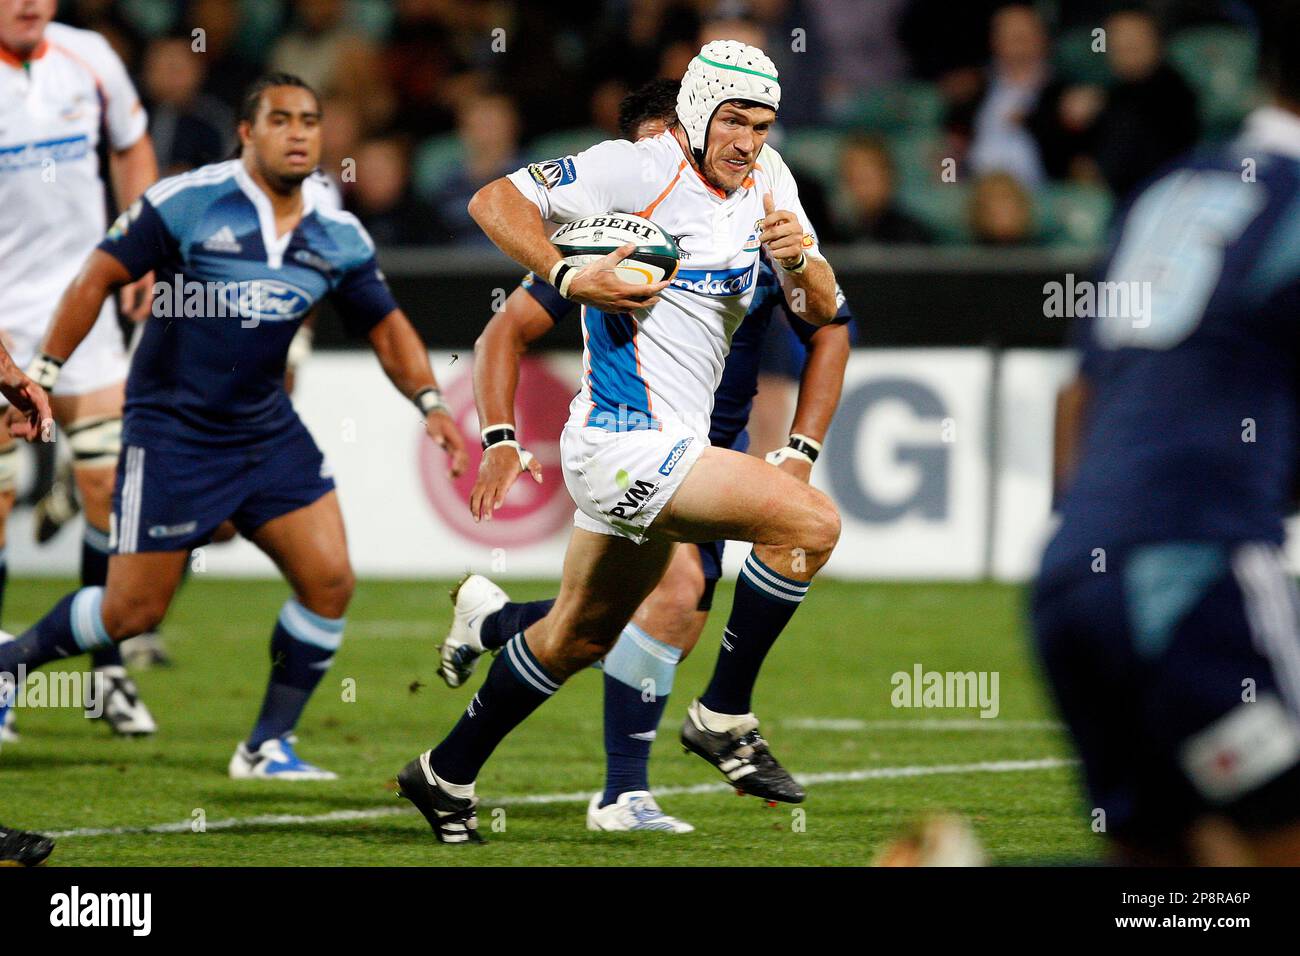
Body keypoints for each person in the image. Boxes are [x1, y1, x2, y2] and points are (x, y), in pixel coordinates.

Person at [396, 40, 842, 844]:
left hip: (670, 445)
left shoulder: (772, 180)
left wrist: (802, 262)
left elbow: (822, 310)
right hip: (621, 443)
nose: (747, 139)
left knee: (579, 636)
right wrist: (568, 275)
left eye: (763, 124)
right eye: (734, 120)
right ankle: (722, 714)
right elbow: (493, 201)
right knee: (809, 524)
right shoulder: (637, 169)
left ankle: (444, 772)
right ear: (700, 112)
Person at [0, 73, 469, 781]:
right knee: (130, 613)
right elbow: (95, 276)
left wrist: (431, 402)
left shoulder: (335, 232)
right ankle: (8, 666)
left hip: (265, 431)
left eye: (310, 119)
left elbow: (386, 324)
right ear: (247, 133)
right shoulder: (187, 203)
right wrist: (43, 370)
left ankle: (266, 746)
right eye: (280, 119)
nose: (300, 132)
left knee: (330, 581)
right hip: (172, 433)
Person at [1035, 5, 1300, 865]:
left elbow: (1078, 396)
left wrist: (1090, 536)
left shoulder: (1172, 185)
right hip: (1197, 572)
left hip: (1073, 582)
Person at [0, 0, 160, 737]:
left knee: (109, 485)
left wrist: (138, 242)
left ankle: (107, 671)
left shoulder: (89, 56)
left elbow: (132, 146)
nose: (30, 3)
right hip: (1, 315)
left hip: (82, 306)